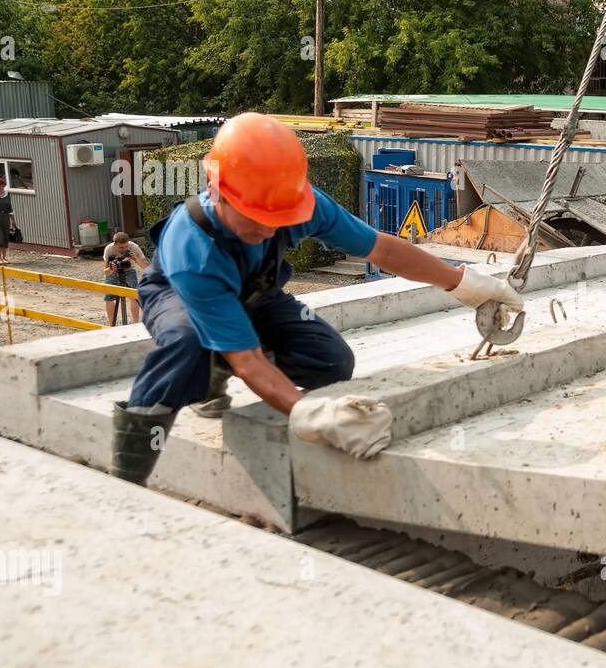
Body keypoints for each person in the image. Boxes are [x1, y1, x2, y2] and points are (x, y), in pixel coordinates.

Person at [111, 112, 524, 486]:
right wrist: (309, 414)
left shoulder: (296, 203)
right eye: (255, 217)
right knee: (186, 344)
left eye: (278, 220)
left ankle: (216, 358)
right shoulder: (193, 249)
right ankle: (130, 474)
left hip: (255, 294)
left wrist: (466, 285)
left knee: (332, 361)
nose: (268, 228)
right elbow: (249, 361)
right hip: (178, 296)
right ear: (216, 190)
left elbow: (383, 250)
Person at [102, 231, 148, 326]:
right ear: (115, 244)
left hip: (129, 271)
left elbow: (146, 267)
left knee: (134, 296)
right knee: (109, 298)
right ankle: (112, 325)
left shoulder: (134, 247)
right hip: (113, 272)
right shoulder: (109, 249)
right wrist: (111, 268)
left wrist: (136, 259)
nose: (124, 249)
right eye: (121, 247)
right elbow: (106, 272)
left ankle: (136, 324)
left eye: (126, 246)